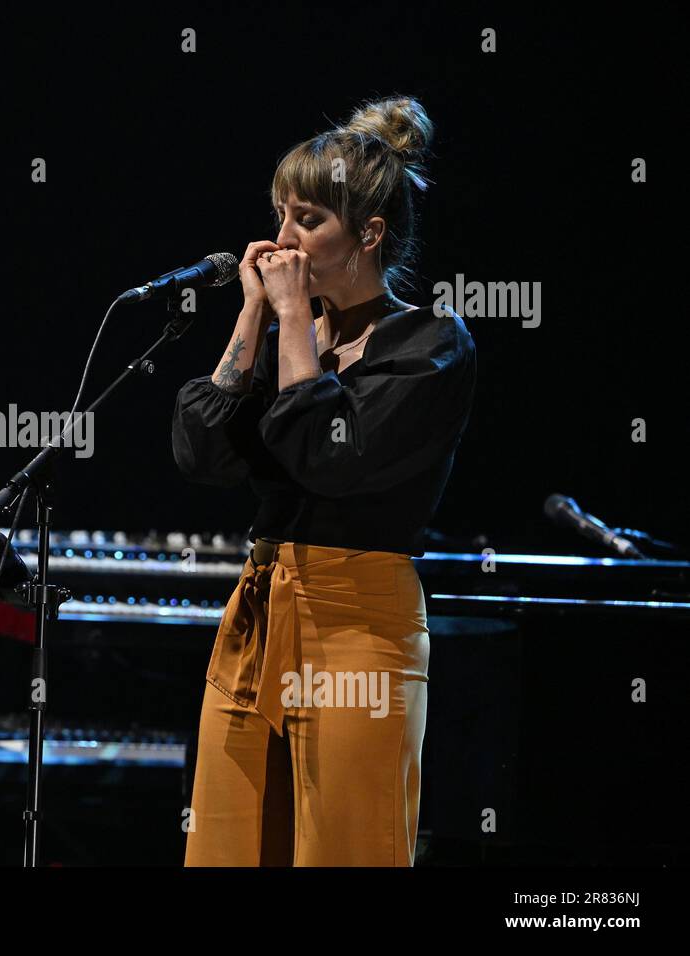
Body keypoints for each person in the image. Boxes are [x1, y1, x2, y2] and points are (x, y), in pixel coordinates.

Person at [172, 96, 475, 866]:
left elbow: (330, 456)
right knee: (226, 848)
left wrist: (294, 326)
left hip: (357, 626)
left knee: (345, 849)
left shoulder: (430, 343)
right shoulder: (285, 336)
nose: (280, 241)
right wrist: (251, 319)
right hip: (256, 616)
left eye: (306, 219)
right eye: (279, 214)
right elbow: (200, 454)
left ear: (367, 234)